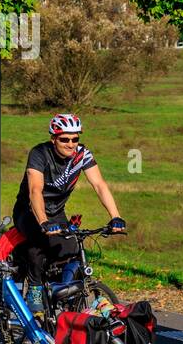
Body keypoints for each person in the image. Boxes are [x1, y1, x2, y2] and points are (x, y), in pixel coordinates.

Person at [12, 113, 126, 288]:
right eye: (64, 139)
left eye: (75, 139)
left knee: (71, 250)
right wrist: (43, 222)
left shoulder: (82, 155)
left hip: (56, 212)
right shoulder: (39, 153)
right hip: (29, 211)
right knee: (40, 244)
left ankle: (61, 294)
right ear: (54, 139)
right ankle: (34, 288)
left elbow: (99, 185)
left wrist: (115, 216)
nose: (71, 144)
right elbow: (35, 190)